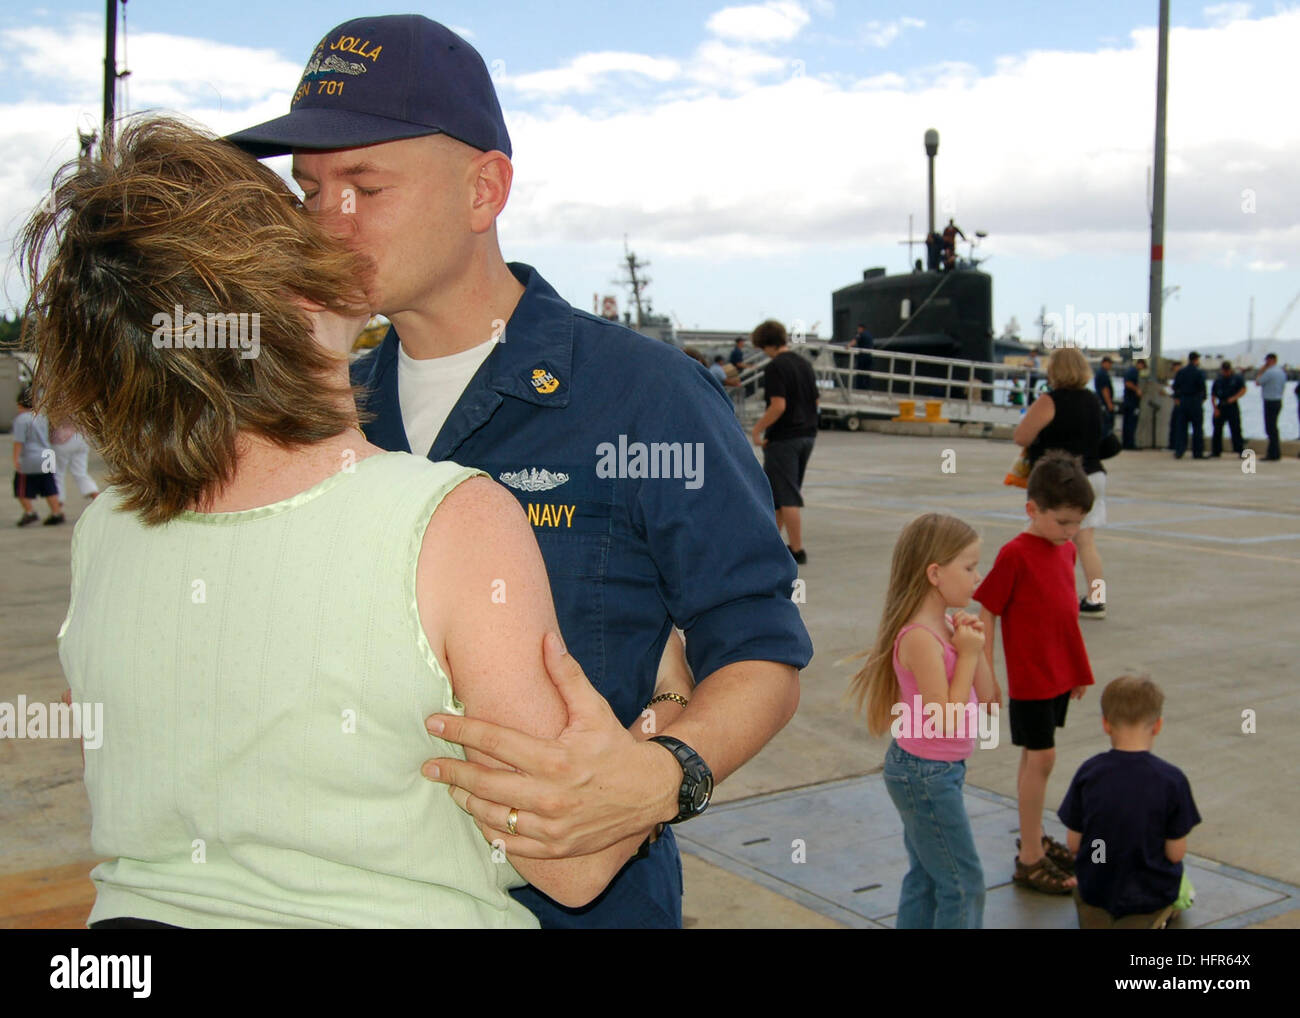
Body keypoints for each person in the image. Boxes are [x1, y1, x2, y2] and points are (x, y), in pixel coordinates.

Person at [228, 14, 811, 929]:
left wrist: (665, 775)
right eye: (310, 190)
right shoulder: (316, 412)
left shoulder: (643, 398)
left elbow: (760, 646)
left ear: (483, 189)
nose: (327, 220)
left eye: (365, 186)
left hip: (573, 904)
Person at [23, 115, 667, 928]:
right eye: (303, 210)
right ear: (300, 292)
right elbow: (572, 863)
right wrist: (669, 718)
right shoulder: (449, 521)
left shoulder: (105, 529)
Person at [848, 513, 998, 928]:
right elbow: (944, 720)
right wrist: (966, 656)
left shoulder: (948, 626)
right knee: (964, 884)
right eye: (969, 567)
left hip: (938, 770)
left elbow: (989, 697)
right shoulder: (919, 637)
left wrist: (976, 646)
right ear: (935, 573)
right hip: (925, 773)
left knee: (929, 878)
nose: (978, 578)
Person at [976, 452, 1096, 894]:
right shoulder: (1015, 554)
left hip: (1058, 673)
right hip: (1030, 678)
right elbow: (988, 610)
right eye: (1063, 522)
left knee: (1036, 757)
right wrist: (987, 673)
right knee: (1042, 758)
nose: (1071, 531)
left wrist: (1078, 669)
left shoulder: (1065, 550)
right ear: (1032, 509)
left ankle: (1034, 836)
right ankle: (1029, 856)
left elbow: (1065, 617)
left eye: (1078, 523)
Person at [1058, 675, 1200, 929]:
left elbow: (1074, 843)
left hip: (1097, 887)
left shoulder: (1089, 773)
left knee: (1095, 870)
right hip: (1148, 892)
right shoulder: (1172, 780)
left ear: (1106, 724)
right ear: (1157, 726)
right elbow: (1175, 853)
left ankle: (1096, 911)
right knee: (1174, 882)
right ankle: (1150, 916)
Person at [1013, 346, 1108, 619]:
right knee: (1086, 542)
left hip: (1059, 479)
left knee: (1041, 539)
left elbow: (1021, 436)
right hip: (1093, 475)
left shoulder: (1050, 401)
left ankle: (1038, 596)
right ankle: (1097, 599)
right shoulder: (1092, 400)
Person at [750, 319, 819, 565]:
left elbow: (778, 405)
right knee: (778, 495)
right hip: (807, 434)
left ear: (767, 344)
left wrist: (757, 429)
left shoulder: (776, 367)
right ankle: (771, 545)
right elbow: (815, 401)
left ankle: (797, 549)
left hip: (785, 438)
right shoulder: (804, 364)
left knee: (786, 496)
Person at [11, 386, 64, 526]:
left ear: (19, 404)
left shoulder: (21, 420)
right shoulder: (41, 417)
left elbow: (19, 441)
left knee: (20, 487)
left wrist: (15, 459)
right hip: (46, 455)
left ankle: (30, 512)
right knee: (49, 485)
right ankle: (56, 512)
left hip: (30, 457)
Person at [50, 419, 101, 503]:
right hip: (81, 436)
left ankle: (57, 505)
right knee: (81, 472)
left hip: (61, 439)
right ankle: (97, 499)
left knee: (57, 474)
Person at [1170, 351, 1206, 459]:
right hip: (1195, 401)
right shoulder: (1199, 372)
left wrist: (1178, 398)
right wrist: (1201, 400)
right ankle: (1197, 452)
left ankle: (1179, 451)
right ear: (1196, 360)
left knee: (1181, 428)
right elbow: (1202, 388)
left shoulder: (1181, 372)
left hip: (1183, 401)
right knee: (1197, 428)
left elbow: (1175, 387)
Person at [1210, 360, 1246, 457]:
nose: (1226, 372)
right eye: (1224, 370)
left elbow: (1243, 389)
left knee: (1236, 429)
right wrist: (1215, 409)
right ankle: (1216, 451)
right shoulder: (1218, 380)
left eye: (1227, 370)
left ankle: (1239, 450)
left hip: (1232, 405)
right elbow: (1213, 396)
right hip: (1221, 405)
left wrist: (1234, 398)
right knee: (1217, 429)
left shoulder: (1236, 378)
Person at [1256, 352, 1286, 461]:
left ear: (1271, 360)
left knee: (1270, 428)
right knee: (1274, 427)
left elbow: (1258, 382)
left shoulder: (1269, 372)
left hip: (1269, 401)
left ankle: (1273, 453)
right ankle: (1275, 452)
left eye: (1267, 360)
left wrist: (1261, 371)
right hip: (1278, 400)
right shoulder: (1282, 372)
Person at [1121, 357, 1145, 450]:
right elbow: (1128, 383)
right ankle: (1130, 443)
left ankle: (1126, 443)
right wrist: (1137, 390)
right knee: (1131, 423)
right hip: (1132, 403)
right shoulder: (1134, 372)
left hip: (1127, 402)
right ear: (1140, 364)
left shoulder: (1129, 371)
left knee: (1126, 423)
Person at [1094, 355, 1115, 437]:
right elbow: (1104, 390)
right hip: (1104, 403)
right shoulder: (1103, 374)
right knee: (1106, 424)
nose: (1110, 366)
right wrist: (1109, 403)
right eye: (1109, 363)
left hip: (1101, 402)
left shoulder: (1100, 373)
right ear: (1104, 363)